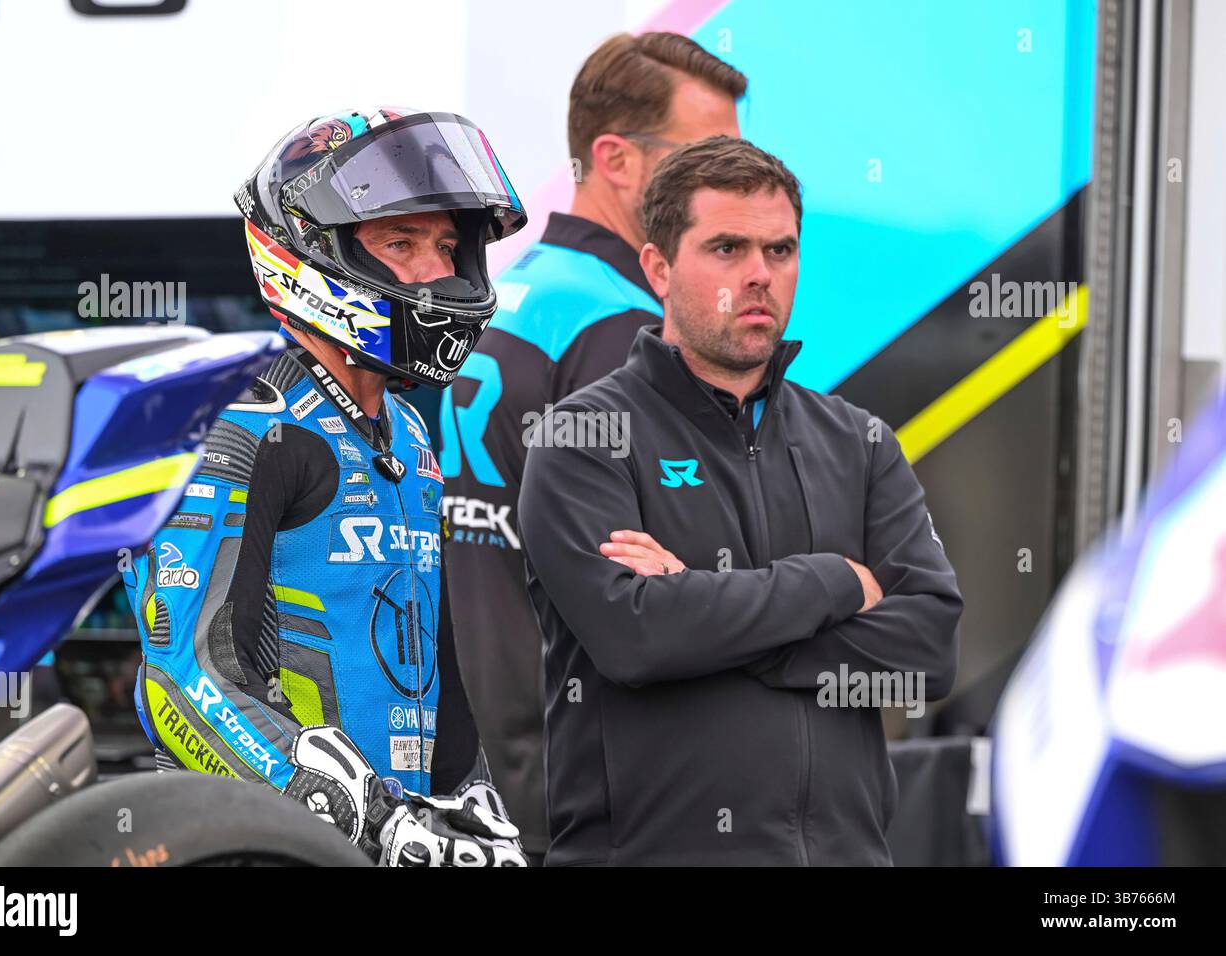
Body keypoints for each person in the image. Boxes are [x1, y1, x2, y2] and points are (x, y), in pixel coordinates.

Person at [517, 136, 963, 865]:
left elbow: (928, 653)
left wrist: (706, 609)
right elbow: (637, 638)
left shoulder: (860, 440)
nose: (759, 275)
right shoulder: (583, 438)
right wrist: (836, 581)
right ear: (658, 268)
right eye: (726, 249)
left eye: (779, 251)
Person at [123, 107, 530, 866]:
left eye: (446, 247)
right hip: (255, 845)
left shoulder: (408, 430)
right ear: (314, 252)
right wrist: (361, 815)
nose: (435, 273)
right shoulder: (243, 427)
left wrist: (464, 806)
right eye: (400, 244)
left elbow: (429, 661)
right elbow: (181, 678)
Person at [439, 32, 747, 859]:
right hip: (588, 797)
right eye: (710, 157)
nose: (734, 186)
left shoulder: (506, 298)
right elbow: (660, 601)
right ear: (616, 159)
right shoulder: (625, 332)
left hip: (477, 775)